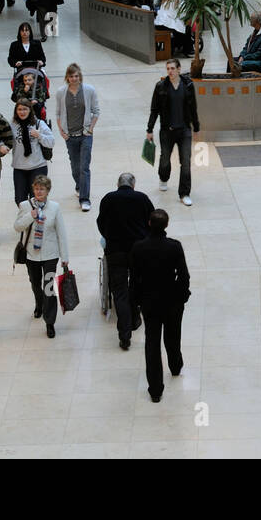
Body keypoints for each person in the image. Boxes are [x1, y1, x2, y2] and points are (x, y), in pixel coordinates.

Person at [129, 208, 190, 402]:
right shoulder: (174, 246)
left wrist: (136, 300)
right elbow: (183, 275)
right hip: (172, 300)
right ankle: (175, 365)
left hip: (149, 301)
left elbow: (134, 278)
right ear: (167, 225)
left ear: (149, 224)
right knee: (173, 335)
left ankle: (155, 389)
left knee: (152, 343)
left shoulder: (138, 247)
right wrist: (183, 295)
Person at [96, 173, 153, 350]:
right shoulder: (142, 198)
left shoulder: (108, 199)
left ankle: (124, 335)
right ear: (133, 184)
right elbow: (152, 221)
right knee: (137, 285)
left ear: (117, 184)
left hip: (115, 251)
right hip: (138, 250)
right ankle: (135, 317)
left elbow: (101, 223)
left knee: (119, 292)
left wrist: (110, 237)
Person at [14, 176, 70, 338]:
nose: (39, 191)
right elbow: (17, 227)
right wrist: (30, 216)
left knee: (49, 288)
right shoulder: (25, 206)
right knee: (35, 283)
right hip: (31, 255)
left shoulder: (55, 207)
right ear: (33, 189)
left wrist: (64, 256)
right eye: (37, 188)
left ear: (47, 191)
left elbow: (61, 233)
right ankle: (39, 304)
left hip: (50, 255)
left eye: (42, 189)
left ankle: (50, 322)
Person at [146, 59, 200, 207]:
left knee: (186, 162)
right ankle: (163, 178)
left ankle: (184, 193)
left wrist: (196, 127)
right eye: (168, 69)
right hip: (167, 131)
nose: (169, 71)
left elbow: (193, 107)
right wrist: (149, 129)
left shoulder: (188, 85)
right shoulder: (161, 87)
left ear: (179, 69)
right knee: (165, 159)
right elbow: (154, 110)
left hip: (184, 131)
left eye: (172, 68)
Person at [54, 63, 100, 212]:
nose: (74, 79)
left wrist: (90, 129)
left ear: (80, 77)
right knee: (75, 167)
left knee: (84, 167)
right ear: (67, 77)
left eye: (76, 76)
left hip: (85, 135)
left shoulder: (89, 90)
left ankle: (85, 199)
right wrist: (62, 131)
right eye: (71, 76)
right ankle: (80, 186)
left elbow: (96, 111)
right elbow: (58, 113)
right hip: (70, 136)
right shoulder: (61, 92)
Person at [9, 99, 53, 205]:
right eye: (19, 109)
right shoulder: (12, 125)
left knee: (38, 200)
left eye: (25, 109)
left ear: (30, 110)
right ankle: (28, 220)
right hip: (19, 168)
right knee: (20, 201)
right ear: (16, 111)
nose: (22, 112)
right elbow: (4, 140)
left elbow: (51, 142)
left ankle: (37, 221)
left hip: (38, 167)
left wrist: (39, 135)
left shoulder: (39, 124)